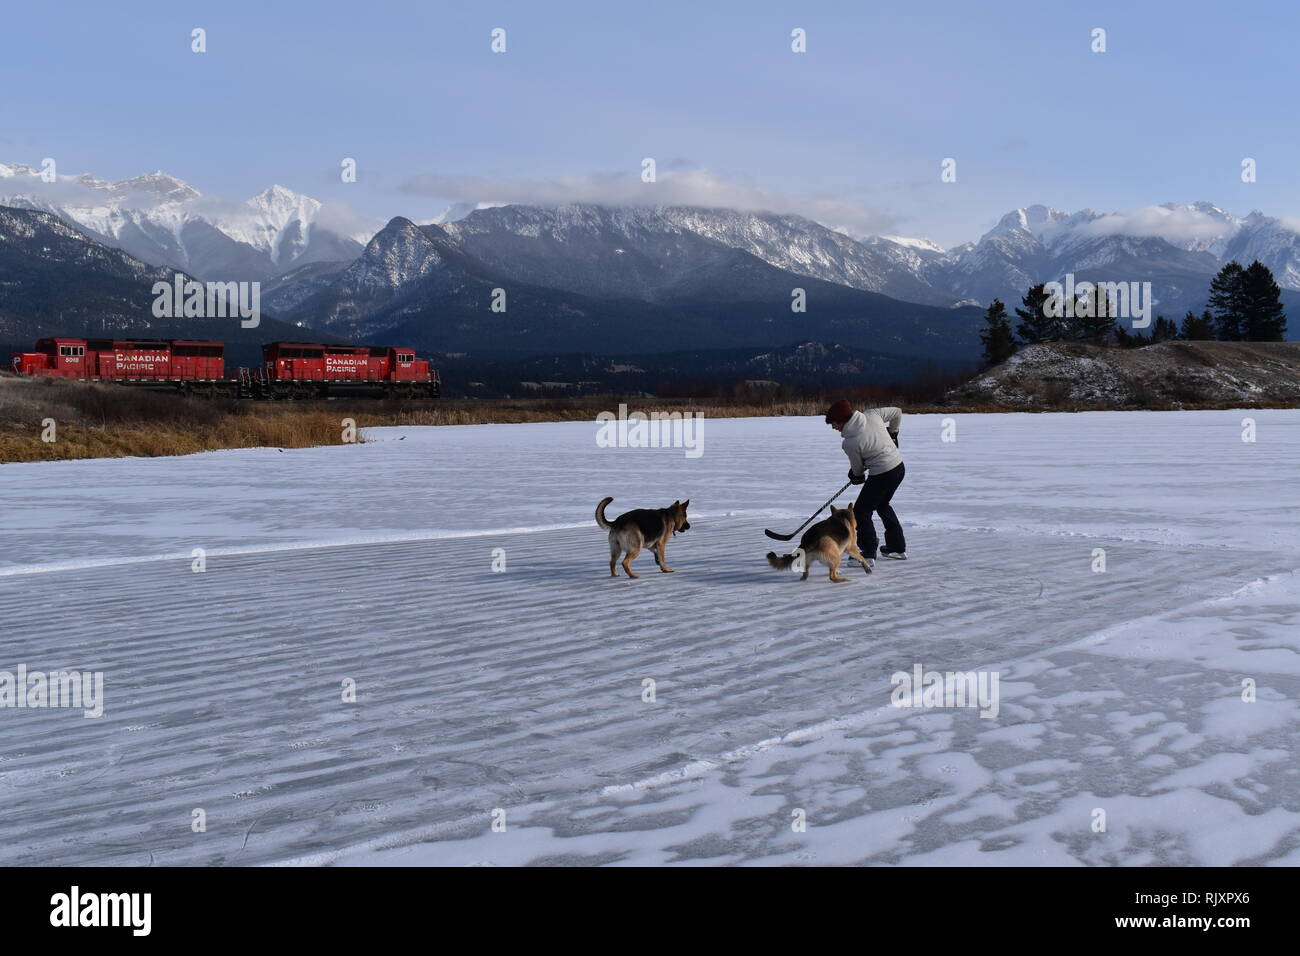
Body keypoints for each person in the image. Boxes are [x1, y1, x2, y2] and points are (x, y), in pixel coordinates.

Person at [824, 399, 906, 564]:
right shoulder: (873, 414)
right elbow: (897, 412)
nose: (833, 427)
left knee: (861, 511)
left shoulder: (849, 443)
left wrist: (855, 475)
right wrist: (893, 432)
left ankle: (867, 554)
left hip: (882, 474)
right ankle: (896, 547)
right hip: (898, 468)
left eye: (834, 423)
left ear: (843, 420)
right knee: (882, 504)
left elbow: (858, 471)